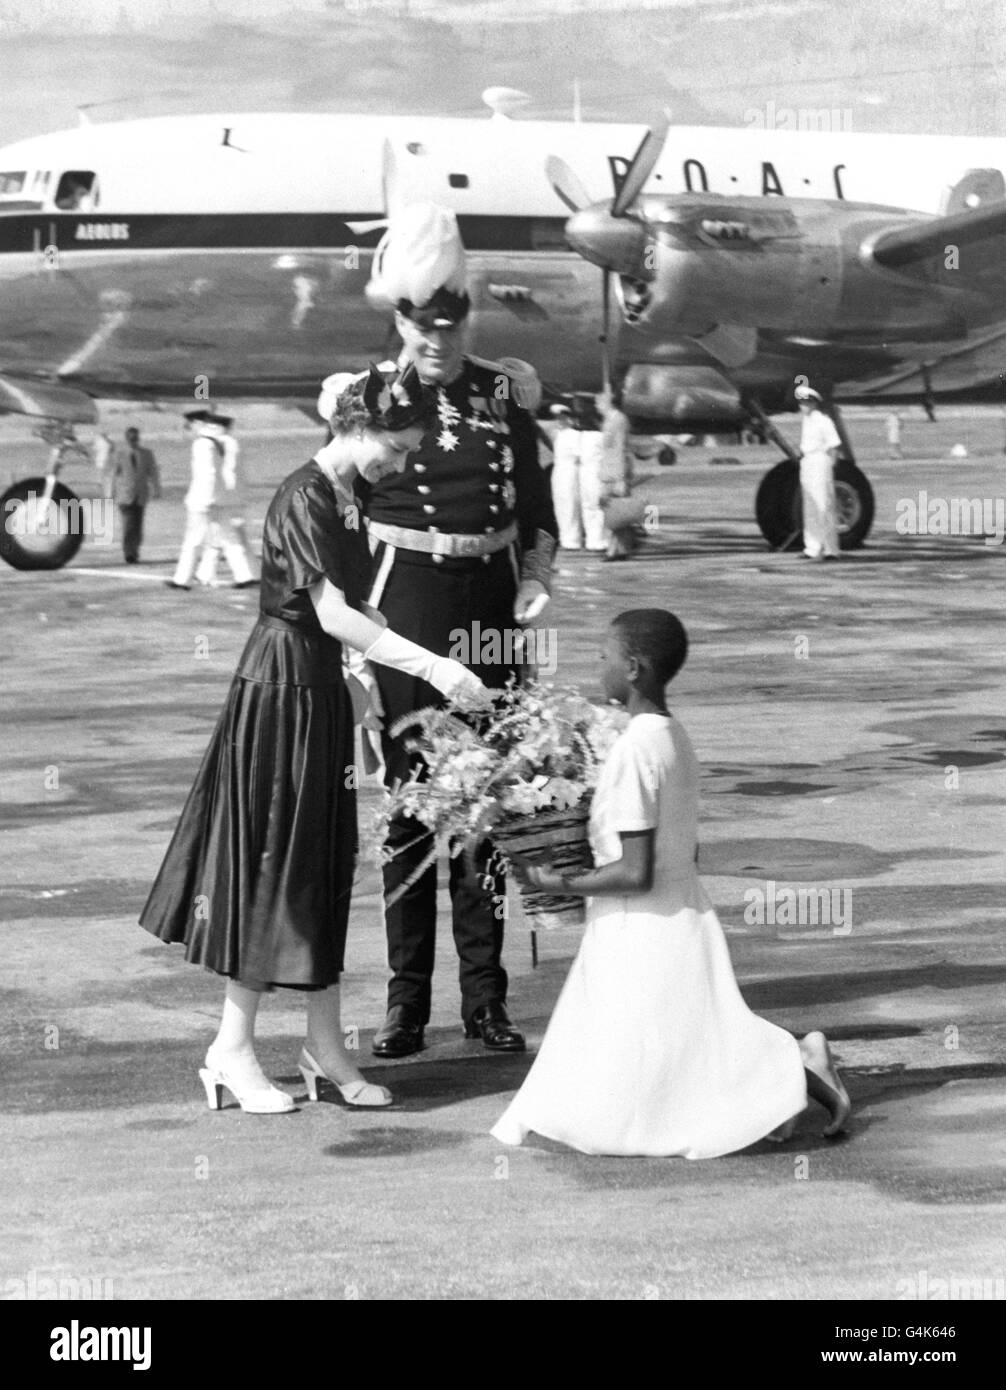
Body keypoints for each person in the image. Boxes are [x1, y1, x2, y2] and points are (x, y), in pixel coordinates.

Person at [140, 364, 491, 1114]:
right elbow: (330, 611)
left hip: (323, 691)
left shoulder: (348, 493)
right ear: (356, 429)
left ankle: (324, 1045)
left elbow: (357, 611)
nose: (398, 465)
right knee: (277, 862)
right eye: (394, 449)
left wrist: (363, 689)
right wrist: (436, 668)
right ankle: (230, 1048)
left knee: (325, 864)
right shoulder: (304, 495)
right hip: (283, 687)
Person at [491, 609, 852, 1157]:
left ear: (633, 667)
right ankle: (793, 1070)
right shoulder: (673, 736)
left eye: (604, 656)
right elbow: (685, 846)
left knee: (666, 1057)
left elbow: (637, 872)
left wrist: (558, 881)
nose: (598, 665)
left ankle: (796, 1069)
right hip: (679, 908)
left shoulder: (635, 748)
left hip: (643, 921)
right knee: (682, 1045)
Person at [343, 200, 558, 1058]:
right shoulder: (367, 396)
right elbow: (344, 517)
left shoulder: (504, 392)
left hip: (492, 600)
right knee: (409, 809)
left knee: (488, 805)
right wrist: (353, 639)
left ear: (467, 316)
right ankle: (404, 1006)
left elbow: (535, 500)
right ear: (400, 319)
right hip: (410, 602)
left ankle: (485, 1001)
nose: (438, 338)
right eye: (422, 324)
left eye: (451, 322)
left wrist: (539, 574)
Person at [167, 408, 257, 590]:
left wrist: (207, 499)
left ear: (199, 424)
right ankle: (244, 576)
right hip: (221, 499)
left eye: (191, 425)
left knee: (193, 540)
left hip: (204, 501)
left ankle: (182, 580)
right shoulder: (219, 442)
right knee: (229, 538)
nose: (189, 429)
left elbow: (209, 474)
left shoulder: (202, 444)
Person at [549, 401, 606, 552]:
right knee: (564, 506)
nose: (559, 421)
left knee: (576, 505)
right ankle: (571, 539)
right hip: (565, 472)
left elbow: (581, 455)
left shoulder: (575, 435)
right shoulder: (560, 434)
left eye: (562, 417)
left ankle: (581, 539)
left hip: (572, 472)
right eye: (558, 418)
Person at [795, 384, 842, 561]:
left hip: (820, 461)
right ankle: (812, 548)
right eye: (801, 402)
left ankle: (831, 550)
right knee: (810, 506)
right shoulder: (806, 421)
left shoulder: (824, 421)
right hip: (807, 462)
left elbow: (834, 445)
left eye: (806, 402)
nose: (802, 406)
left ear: (814, 403)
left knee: (824, 506)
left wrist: (830, 465)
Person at [105, 426, 161, 564]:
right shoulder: (119, 454)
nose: (133, 441)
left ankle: (135, 551)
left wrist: (156, 488)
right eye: (131, 439)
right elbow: (112, 474)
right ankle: (129, 552)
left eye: (135, 438)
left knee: (138, 525)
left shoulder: (147, 454)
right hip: (125, 495)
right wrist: (109, 492)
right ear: (127, 439)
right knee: (128, 525)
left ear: (138, 438)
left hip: (140, 494)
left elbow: (153, 472)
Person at [597, 389, 639, 561]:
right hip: (608, 472)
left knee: (617, 512)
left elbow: (621, 448)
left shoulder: (619, 420)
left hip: (616, 473)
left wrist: (621, 478)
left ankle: (616, 550)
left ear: (607, 402)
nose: (596, 405)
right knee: (612, 512)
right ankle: (620, 548)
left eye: (598, 402)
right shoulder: (609, 420)